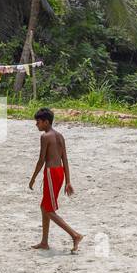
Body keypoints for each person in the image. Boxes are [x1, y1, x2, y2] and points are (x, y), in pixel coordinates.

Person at [28, 107, 83, 253]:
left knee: (48, 210)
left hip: (51, 173)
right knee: (44, 207)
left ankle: (75, 235)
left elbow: (41, 160)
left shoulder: (45, 137)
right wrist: (68, 181)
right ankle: (44, 242)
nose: (36, 125)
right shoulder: (60, 136)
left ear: (46, 122)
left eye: (38, 122)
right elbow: (65, 158)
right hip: (59, 173)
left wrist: (33, 179)